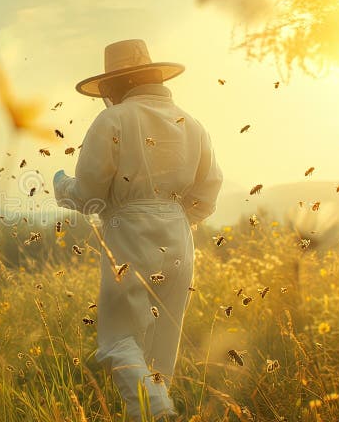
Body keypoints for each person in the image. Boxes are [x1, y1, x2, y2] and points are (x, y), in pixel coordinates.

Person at [54, 39, 223, 421]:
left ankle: (158, 412)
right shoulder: (192, 123)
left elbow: (90, 195)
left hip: (128, 232)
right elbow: (208, 192)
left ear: (117, 84)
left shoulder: (113, 120)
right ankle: (154, 409)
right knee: (160, 352)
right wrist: (173, 219)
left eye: (107, 89)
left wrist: (61, 184)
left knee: (119, 339)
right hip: (180, 236)